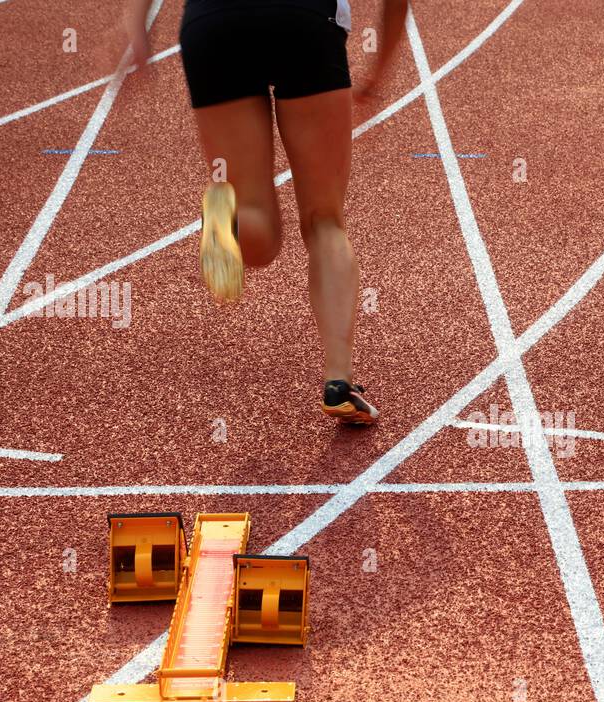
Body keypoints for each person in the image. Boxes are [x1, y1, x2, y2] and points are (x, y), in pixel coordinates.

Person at [119, 0, 410, 425]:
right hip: (304, 20)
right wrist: (379, 71)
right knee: (324, 219)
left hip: (213, 24)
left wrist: (137, 30)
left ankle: (228, 221)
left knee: (258, 232)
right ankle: (338, 382)